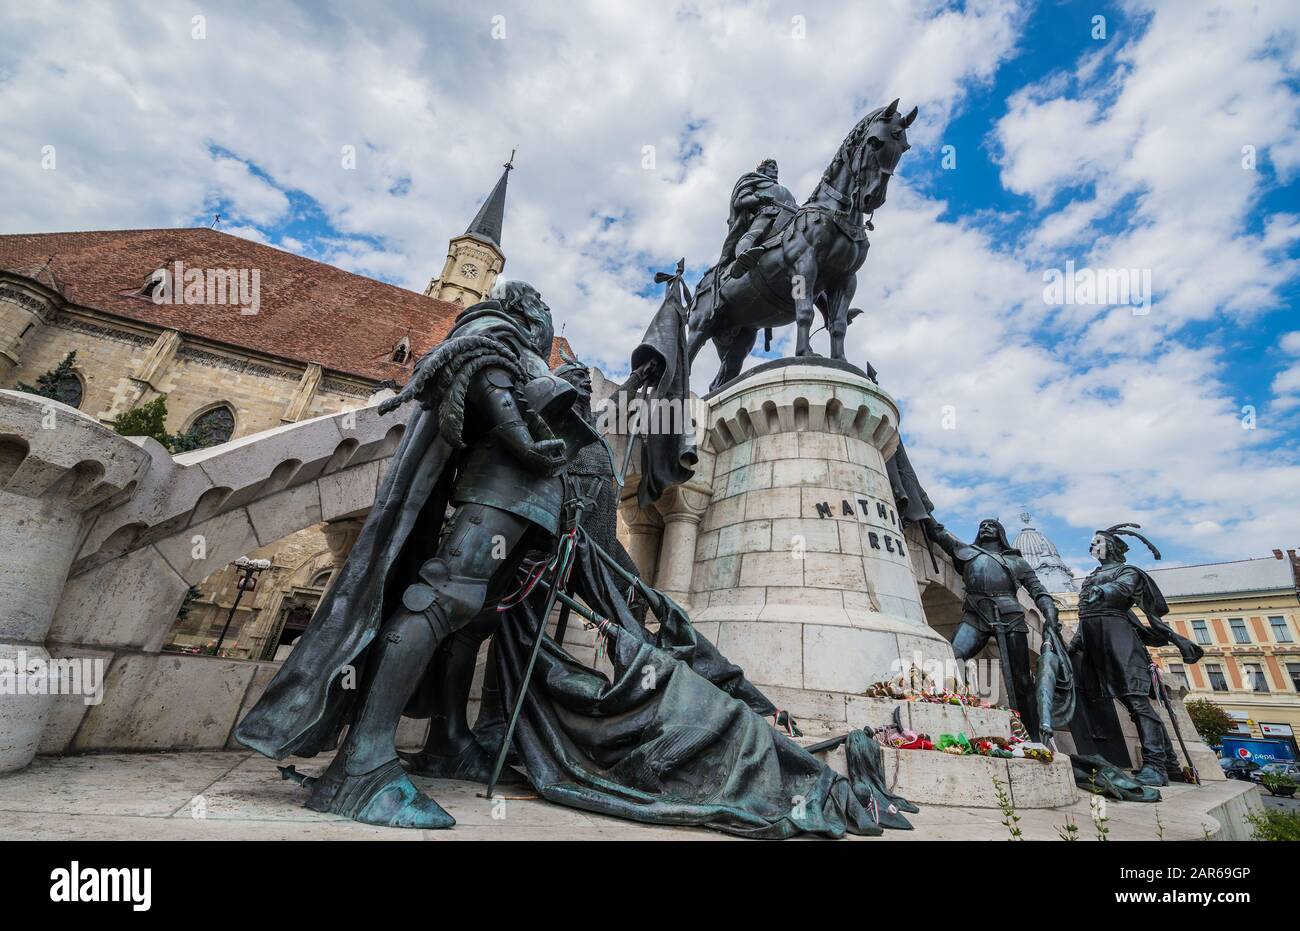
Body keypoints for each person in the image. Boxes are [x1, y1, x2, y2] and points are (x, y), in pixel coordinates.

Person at [1070, 523, 1203, 786]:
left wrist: (1103, 591)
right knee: (1132, 703)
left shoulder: (1127, 572)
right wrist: (1074, 643)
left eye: (1097, 542)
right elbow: (1084, 615)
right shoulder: (1091, 576)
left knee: (1137, 701)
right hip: (1094, 640)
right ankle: (1171, 764)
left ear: (1112, 546)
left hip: (1118, 638)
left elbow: (1121, 591)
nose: (1092, 547)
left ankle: (1156, 765)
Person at [924, 517, 1061, 740]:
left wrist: (1051, 615)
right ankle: (952, 717)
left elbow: (1038, 591)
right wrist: (921, 510)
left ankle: (1034, 736)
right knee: (952, 658)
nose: (986, 527)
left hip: (1010, 617)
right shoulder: (966, 552)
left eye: (992, 525)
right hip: (975, 614)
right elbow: (939, 534)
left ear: (1000, 533)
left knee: (1022, 679)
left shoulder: (1016, 561)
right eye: (982, 526)